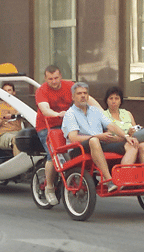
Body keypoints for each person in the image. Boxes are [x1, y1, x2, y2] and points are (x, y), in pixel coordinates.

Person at [35, 65, 101, 205]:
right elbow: (45, 109)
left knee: (83, 144)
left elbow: (89, 100)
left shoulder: (69, 86)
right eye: (50, 79)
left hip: (69, 124)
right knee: (53, 155)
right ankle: (49, 188)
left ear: (61, 76)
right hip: (48, 126)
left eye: (56, 78)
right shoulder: (41, 91)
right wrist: (57, 114)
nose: (54, 81)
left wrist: (102, 112)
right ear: (45, 79)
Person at [60, 82, 137, 193]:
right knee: (94, 140)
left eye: (85, 93)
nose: (83, 96)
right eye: (79, 93)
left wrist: (126, 136)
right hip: (78, 148)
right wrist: (97, 136)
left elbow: (111, 125)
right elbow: (73, 138)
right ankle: (108, 180)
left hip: (100, 144)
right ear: (73, 97)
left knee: (132, 145)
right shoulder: (70, 114)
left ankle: (122, 178)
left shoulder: (95, 110)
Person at [102, 86, 144, 165]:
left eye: (116, 98)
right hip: (118, 143)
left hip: (134, 140)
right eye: (111, 98)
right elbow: (107, 137)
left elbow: (136, 130)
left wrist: (136, 131)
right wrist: (128, 136)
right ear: (106, 100)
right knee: (143, 146)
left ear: (121, 100)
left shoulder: (127, 113)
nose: (114, 101)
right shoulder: (103, 115)